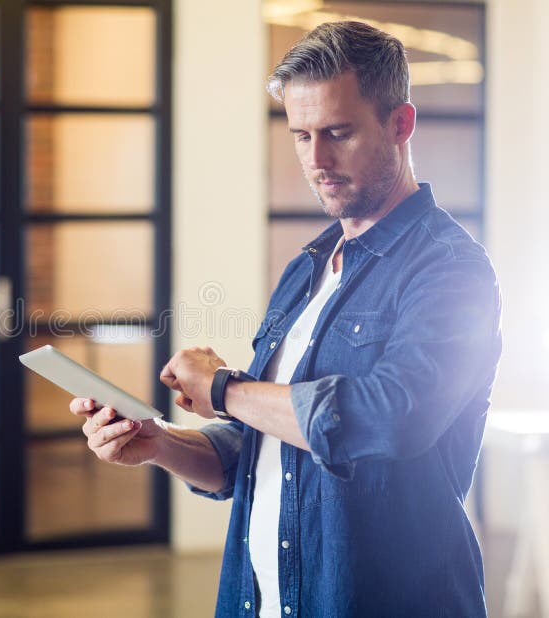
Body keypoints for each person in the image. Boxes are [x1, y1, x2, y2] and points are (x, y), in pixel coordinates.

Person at [69, 21, 501, 617]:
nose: (316, 159)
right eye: (301, 135)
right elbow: (259, 446)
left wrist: (224, 387)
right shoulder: (307, 269)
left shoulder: (452, 269)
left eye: (338, 133)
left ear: (401, 124)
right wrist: (159, 443)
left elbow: (389, 417)